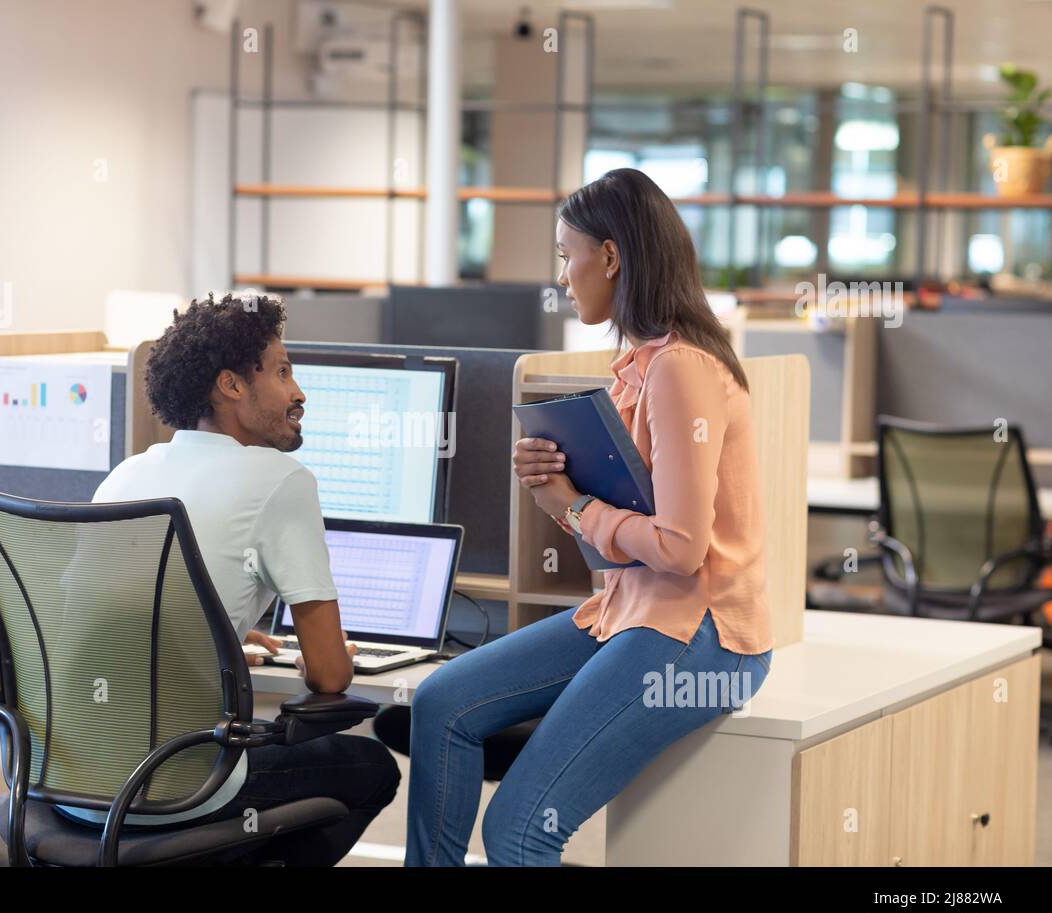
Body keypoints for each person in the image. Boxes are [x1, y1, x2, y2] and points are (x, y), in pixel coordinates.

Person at [406, 168, 774, 866]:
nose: (563, 276)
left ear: (610, 256)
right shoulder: (632, 370)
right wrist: (564, 494)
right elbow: (622, 555)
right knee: (440, 704)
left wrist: (572, 504)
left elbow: (682, 549)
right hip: (631, 609)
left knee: (517, 829)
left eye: (566, 254)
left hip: (704, 634)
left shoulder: (680, 370)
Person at [57, 292, 399, 866]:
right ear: (232, 386)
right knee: (369, 766)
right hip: (176, 787)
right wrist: (320, 655)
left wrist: (208, 636)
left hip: (63, 778)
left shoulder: (128, 472)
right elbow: (330, 674)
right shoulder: (279, 478)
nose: (299, 393)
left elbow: (110, 616)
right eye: (283, 372)